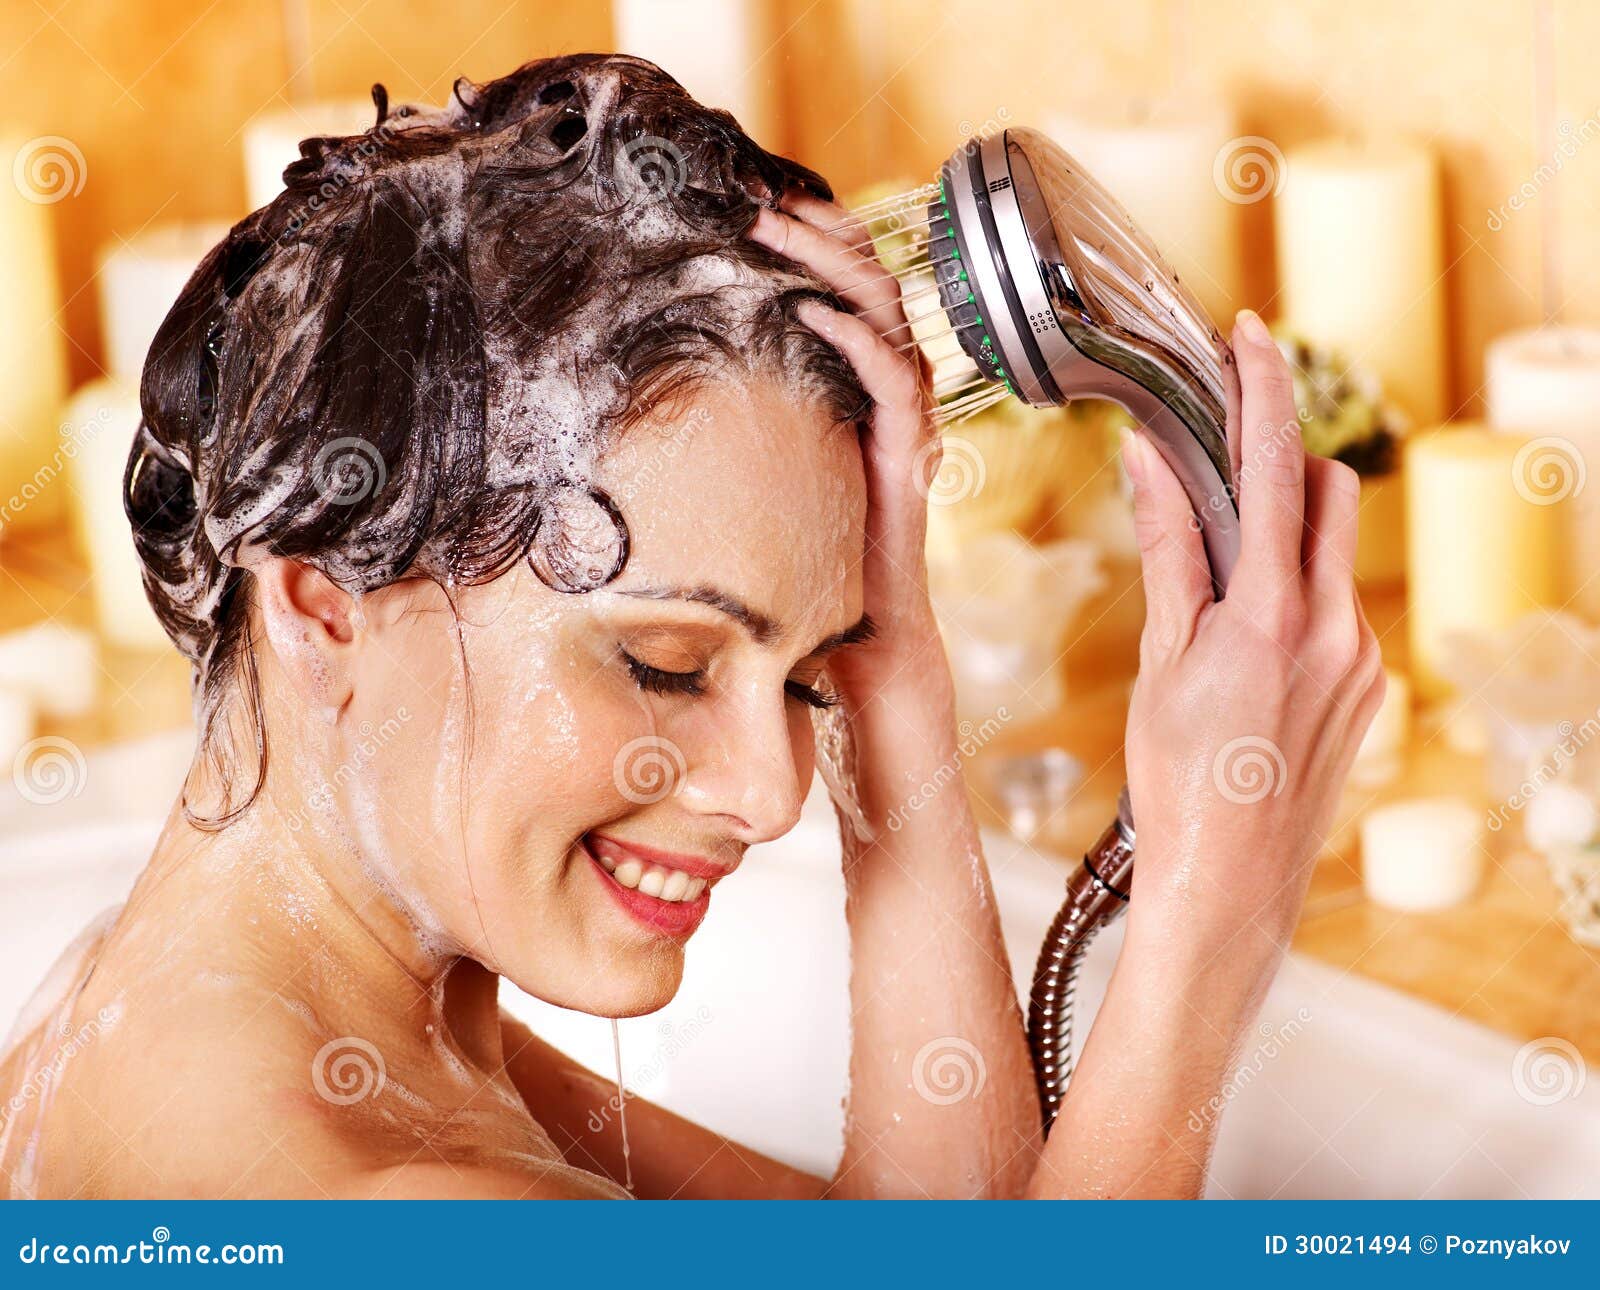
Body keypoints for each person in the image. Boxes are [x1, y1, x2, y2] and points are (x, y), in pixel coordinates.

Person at [0, 53, 1382, 1199]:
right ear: (325, 600)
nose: (770, 793)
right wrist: (1210, 920)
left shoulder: (257, 1011)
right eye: (666, 661)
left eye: (803, 683)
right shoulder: (385, 1193)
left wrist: (881, 656)